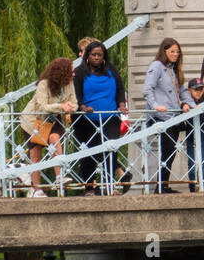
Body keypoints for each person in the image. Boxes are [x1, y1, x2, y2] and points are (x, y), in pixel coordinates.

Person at [72, 40, 128, 193]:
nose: (96, 57)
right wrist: (82, 107)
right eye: (93, 55)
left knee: (111, 149)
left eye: (99, 55)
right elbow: (75, 93)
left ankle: (110, 186)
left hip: (110, 117)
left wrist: (122, 104)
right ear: (87, 56)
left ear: (104, 56)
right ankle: (90, 188)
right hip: (86, 120)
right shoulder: (80, 71)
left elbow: (120, 88)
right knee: (89, 153)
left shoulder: (111, 69)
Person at [19, 57, 77, 196]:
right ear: (62, 72)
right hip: (34, 121)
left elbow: (74, 102)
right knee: (36, 155)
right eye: (71, 71)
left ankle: (60, 176)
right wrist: (62, 106)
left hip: (54, 120)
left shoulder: (69, 83)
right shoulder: (43, 84)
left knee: (55, 138)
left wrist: (70, 107)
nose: (74, 74)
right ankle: (36, 189)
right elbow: (42, 106)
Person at [143, 38, 189, 194]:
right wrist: (155, 106)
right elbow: (147, 89)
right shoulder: (157, 66)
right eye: (172, 52)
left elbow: (183, 91)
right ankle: (160, 186)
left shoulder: (174, 69)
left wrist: (193, 105)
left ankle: (163, 185)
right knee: (167, 148)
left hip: (174, 116)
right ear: (164, 52)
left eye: (177, 52)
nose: (175, 54)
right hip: (161, 116)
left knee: (171, 150)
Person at [182, 77, 204, 192]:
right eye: (196, 89)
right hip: (191, 137)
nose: (199, 92)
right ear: (189, 90)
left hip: (202, 136)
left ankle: (202, 183)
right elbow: (182, 107)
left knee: (203, 162)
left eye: (201, 89)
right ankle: (192, 185)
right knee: (191, 162)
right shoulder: (187, 103)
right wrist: (185, 106)